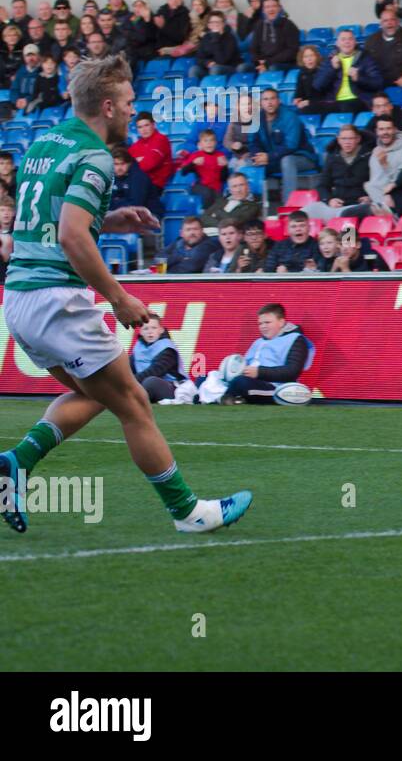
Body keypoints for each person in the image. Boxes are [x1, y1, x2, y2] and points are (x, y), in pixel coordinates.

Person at [0, 54, 251, 534]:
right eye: (131, 102)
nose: (136, 111)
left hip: (20, 298)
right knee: (134, 401)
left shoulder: (42, 143)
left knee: (98, 395)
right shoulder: (95, 155)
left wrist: (111, 218)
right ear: (110, 105)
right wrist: (118, 296)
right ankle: (189, 513)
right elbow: (73, 238)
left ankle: (17, 462)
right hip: (57, 299)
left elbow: (52, 220)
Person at [221, 303, 315, 404]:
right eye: (260, 324)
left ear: (281, 322)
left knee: (240, 382)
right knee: (209, 377)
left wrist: (259, 372)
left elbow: (292, 372)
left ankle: (228, 397)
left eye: (267, 322)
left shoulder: (296, 339)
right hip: (250, 380)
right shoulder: (258, 342)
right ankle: (232, 397)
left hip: (276, 387)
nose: (263, 327)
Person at [363, 7, 402, 88]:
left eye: (392, 19)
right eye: (385, 21)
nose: (389, 23)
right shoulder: (371, 41)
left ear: (397, 22)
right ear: (381, 24)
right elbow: (365, 63)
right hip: (380, 84)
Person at [131, 314, 187, 403]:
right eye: (146, 329)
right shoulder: (138, 347)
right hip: (140, 384)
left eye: (154, 328)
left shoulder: (167, 348)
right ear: (141, 331)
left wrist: (128, 382)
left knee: (151, 382)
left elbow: (155, 371)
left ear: (161, 330)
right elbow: (128, 369)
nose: (150, 332)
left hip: (171, 388)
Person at [245, 0, 300, 73]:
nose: (271, 9)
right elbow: (253, 49)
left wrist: (268, 62)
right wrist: (258, 62)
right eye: (267, 7)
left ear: (279, 8)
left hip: (283, 63)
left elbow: (292, 51)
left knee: (272, 68)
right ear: (263, 10)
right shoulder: (259, 25)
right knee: (243, 68)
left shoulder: (288, 25)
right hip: (264, 63)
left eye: (274, 6)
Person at [175, 128, 228, 208]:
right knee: (207, 192)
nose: (209, 143)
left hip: (215, 188)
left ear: (216, 143)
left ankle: (212, 217)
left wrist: (224, 167)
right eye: (205, 141)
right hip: (198, 186)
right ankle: (205, 214)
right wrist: (193, 163)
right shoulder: (196, 155)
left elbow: (223, 178)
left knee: (221, 201)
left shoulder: (220, 156)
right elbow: (183, 172)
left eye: (211, 140)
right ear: (200, 144)